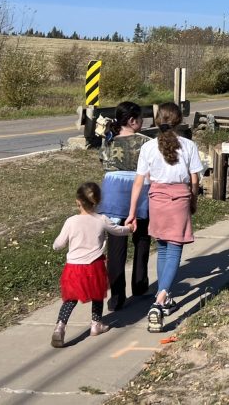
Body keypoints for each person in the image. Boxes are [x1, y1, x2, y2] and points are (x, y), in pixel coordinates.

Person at [126, 103, 204, 333]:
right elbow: (195, 179)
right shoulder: (189, 145)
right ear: (179, 121)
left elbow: (139, 181)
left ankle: (166, 293)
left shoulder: (149, 147)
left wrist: (132, 212)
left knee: (161, 248)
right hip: (179, 197)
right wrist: (193, 201)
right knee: (175, 248)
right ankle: (159, 302)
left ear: (157, 120)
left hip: (156, 199)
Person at [51, 182, 132, 347]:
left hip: (74, 267)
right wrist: (129, 228)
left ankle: (60, 327)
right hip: (94, 265)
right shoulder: (101, 220)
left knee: (70, 299)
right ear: (98, 201)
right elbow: (118, 230)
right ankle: (96, 324)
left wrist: (55, 245)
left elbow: (58, 244)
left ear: (77, 201)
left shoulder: (71, 221)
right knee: (97, 295)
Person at [99, 101, 151, 311]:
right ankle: (139, 284)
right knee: (142, 237)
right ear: (132, 120)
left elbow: (102, 162)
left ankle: (117, 297)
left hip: (111, 189)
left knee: (116, 244)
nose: (142, 122)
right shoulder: (146, 142)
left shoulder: (108, 140)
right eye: (140, 119)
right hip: (139, 188)